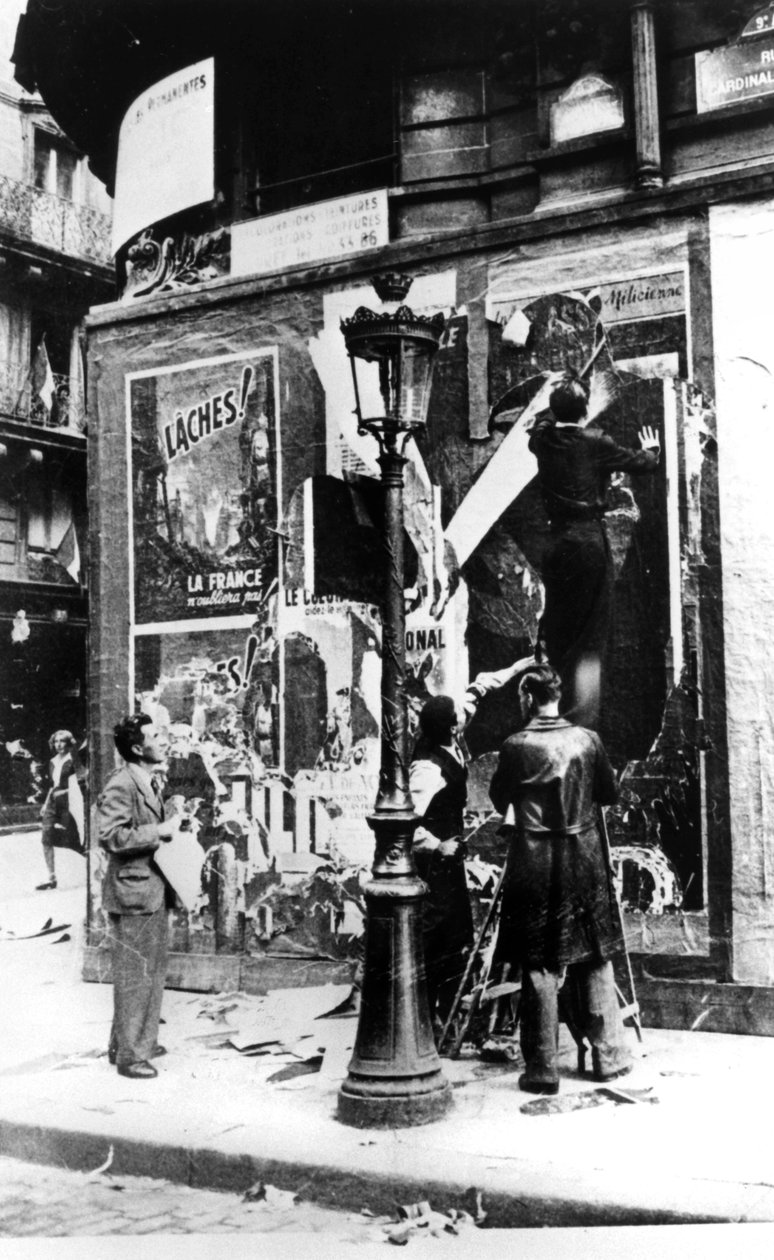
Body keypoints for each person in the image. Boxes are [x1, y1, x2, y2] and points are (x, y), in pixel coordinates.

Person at [489, 665, 632, 1094]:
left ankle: (542, 1069)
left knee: (538, 962)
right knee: (594, 954)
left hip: (533, 861)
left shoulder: (515, 746)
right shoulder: (588, 741)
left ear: (528, 698)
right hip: (583, 859)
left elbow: (501, 796)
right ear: (558, 695)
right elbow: (609, 794)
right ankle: (609, 1059)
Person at [409, 654, 536, 1034]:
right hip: (433, 865)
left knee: (456, 937)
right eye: (458, 717)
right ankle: (424, 1018)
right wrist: (436, 845)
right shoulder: (426, 768)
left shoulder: (449, 737)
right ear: (450, 728)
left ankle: (445, 1016)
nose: (467, 716)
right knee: (434, 941)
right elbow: (404, 824)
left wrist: (520, 666)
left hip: (451, 864)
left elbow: (481, 686)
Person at [528, 372, 660, 727]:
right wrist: (653, 449)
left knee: (559, 631)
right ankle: (580, 726)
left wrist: (554, 403)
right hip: (588, 543)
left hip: (556, 545)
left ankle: (549, 716)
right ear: (586, 410)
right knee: (590, 639)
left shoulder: (542, 440)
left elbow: (540, 423)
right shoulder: (596, 441)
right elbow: (645, 464)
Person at [97, 714, 178, 1080]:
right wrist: (159, 830)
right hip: (134, 893)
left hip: (146, 891)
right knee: (137, 977)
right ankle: (132, 1056)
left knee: (147, 972)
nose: (163, 740)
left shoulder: (143, 779)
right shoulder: (122, 782)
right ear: (136, 748)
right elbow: (111, 836)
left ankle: (129, 1043)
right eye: (155, 736)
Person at [36, 730, 82, 891]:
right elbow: (52, 786)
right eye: (56, 741)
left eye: (62, 741)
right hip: (53, 803)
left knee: (73, 839)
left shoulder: (74, 760)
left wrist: (66, 792)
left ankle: (95, 863)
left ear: (69, 743)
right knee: (46, 836)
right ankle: (51, 877)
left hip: (69, 803)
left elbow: (82, 783)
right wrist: (45, 804)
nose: (59, 745)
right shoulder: (53, 761)